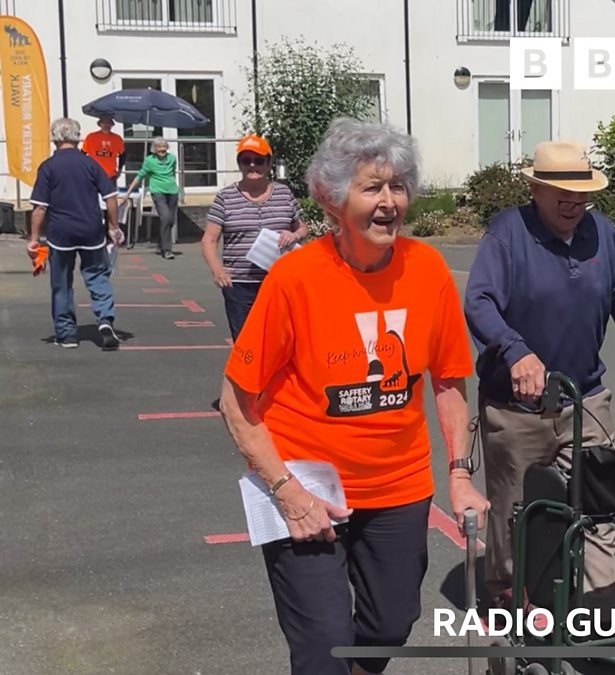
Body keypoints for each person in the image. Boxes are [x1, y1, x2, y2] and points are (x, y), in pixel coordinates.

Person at [217, 118, 489, 675]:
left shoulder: (429, 270)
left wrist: (459, 474)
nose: (389, 201)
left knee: (390, 623)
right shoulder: (296, 279)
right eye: (371, 188)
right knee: (323, 648)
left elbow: (448, 382)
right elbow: (236, 401)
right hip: (306, 484)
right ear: (332, 200)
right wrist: (288, 491)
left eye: (397, 186)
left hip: (399, 486)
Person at [464, 140, 615, 615]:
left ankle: (602, 600)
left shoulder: (603, 236)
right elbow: (480, 302)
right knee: (514, 510)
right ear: (535, 189)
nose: (573, 204)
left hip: (586, 398)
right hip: (516, 405)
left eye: (581, 195)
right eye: (560, 194)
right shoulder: (509, 232)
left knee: (598, 502)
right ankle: (509, 590)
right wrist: (516, 352)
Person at [25, 117, 122, 350]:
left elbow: (39, 207)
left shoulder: (48, 167)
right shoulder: (90, 164)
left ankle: (67, 334)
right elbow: (110, 197)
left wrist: (34, 239)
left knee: (61, 283)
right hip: (91, 230)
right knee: (98, 276)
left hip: (61, 233)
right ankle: (105, 320)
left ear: (54, 138)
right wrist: (113, 226)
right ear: (78, 138)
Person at [201, 134, 305, 341]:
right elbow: (208, 240)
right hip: (239, 284)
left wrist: (293, 235)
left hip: (278, 282)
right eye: (246, 161)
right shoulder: (226, 197)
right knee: (245, 345)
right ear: (239, 164)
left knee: (280, 342)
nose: (252, 166)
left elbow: (303, 227)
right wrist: (217, 270)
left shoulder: (284, 194)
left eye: (258, 161)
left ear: (269, 164)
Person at [121, 137, 180, 259]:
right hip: (158, 191)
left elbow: (173, 172)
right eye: (159, 147)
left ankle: (161, 243)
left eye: (164, 147)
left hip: (172, 190)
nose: (162, 149)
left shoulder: (172, 158)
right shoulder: (149, 161)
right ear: (154, 149)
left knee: (170, 221)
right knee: (165, 216)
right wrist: (128, 192)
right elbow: (140, 176)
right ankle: (167, 250)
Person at [81, 116, 125, 185]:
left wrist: (119, 170)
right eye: (104, 123)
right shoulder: (91, 137)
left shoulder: (117, 138)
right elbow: (82, 154)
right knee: (91, 195)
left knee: (111, 195)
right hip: (93, 174)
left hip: (110, 175)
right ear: (100, 124)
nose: (106, 125)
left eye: (108, 123)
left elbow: (122, 155)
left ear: (111, 124)